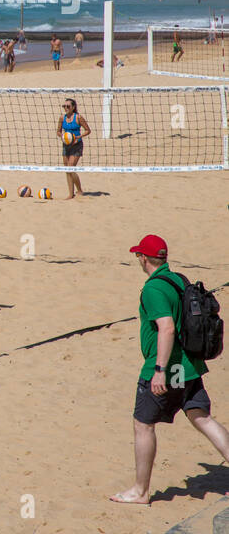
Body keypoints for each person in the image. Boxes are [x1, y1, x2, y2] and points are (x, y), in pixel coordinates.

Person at [111, 235, 229, 504]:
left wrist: (160, 370)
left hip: (169, 366)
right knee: (202, 418)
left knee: (143, 425)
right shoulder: (178, 278)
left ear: (143, 258)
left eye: (138, 255)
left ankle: (140, 491)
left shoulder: (153, 289)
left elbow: (167, 327)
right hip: (191, 365)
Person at [57, 97, 90, 201]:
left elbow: (88, 130)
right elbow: (58, 131)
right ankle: (71, 194)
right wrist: (62, 136)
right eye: (64, 106)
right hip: (66, 145)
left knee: (71, 168)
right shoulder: (62, 118)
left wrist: (78, 137)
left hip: (77, 145)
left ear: (73, 107)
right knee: (67, 170)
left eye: (68, 106)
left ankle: (79, 190)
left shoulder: (78, 117)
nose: (65, 108)